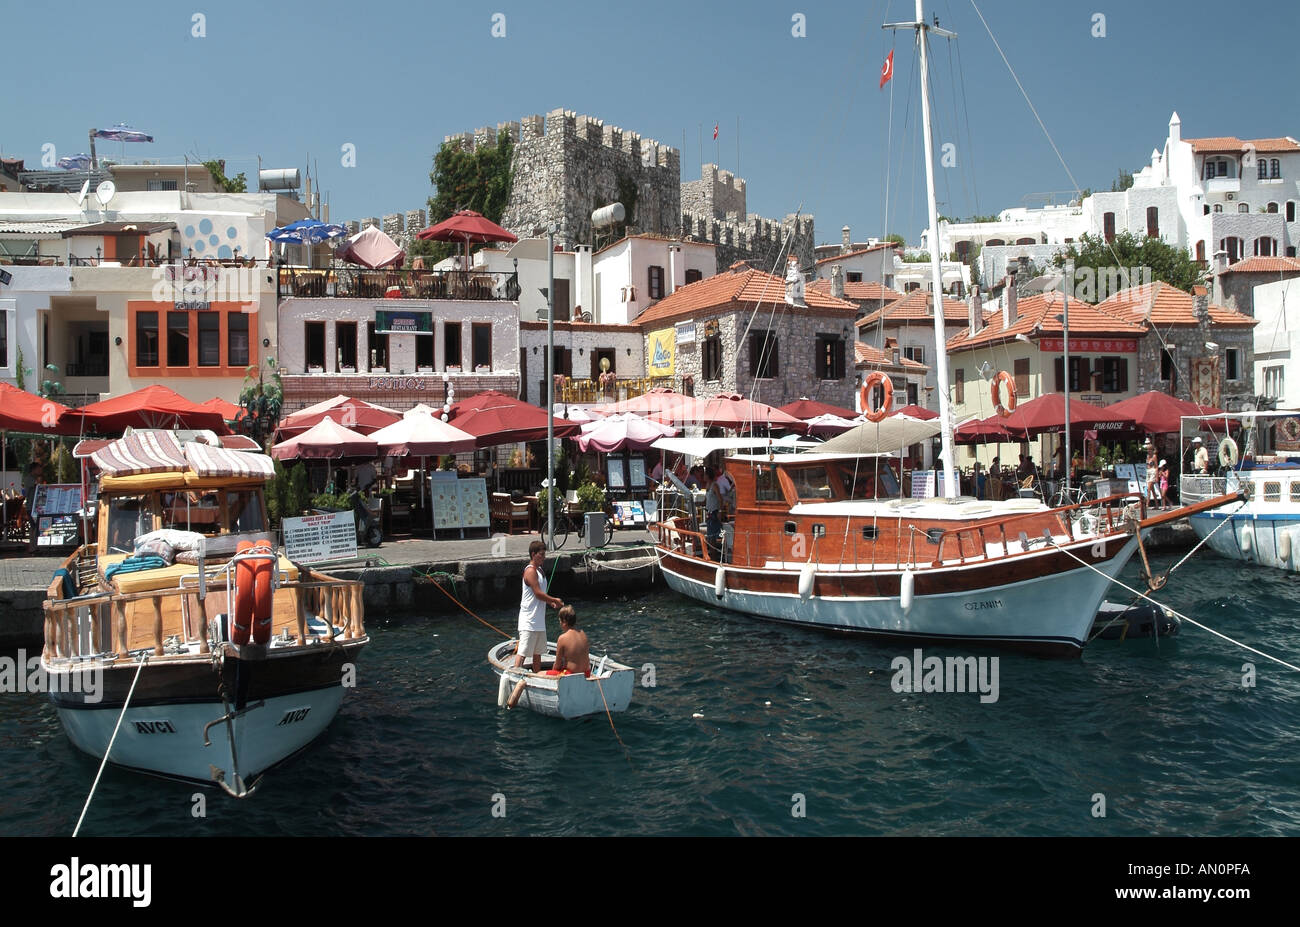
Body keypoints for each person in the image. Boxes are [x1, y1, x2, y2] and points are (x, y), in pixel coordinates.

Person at [515, 540, 563, 672]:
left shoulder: (540, 570)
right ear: (533, 554)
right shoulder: (530, 571)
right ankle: (513, 673)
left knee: (538, 653)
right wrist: (554, 599)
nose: (544, 557)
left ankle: (537, 675)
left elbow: (541, 593)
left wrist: (550, 602)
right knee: (523, 651)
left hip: (539, 620)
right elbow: (537, 593)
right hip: (529, 620)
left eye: (544, 554)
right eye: (541, 555)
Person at [552, 605, 591, 677]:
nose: (560, 623)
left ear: (564, 622)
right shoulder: (583, 633)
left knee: (539, 673)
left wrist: (551, 674)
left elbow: (557, 665)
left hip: (571, 676)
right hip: (586, 674)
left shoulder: (562, 638)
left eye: (560, 621)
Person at [704, 466, 723, 560]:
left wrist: (720, 511)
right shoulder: (707, 485)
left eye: (704, 474)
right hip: (709, 513)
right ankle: (712, 556)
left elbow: (720, 499)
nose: (703, 476)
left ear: (707, 475)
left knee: (713, 538)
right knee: (710, 537)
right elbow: (706, 500)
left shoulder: (714, 485)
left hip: (714, 513)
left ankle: (714, 558)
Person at [1144, 439, 1159, 505]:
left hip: (1153, 471)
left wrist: (1156, 476)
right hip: (1148, 471)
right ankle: (1157, 504)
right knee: (1152, 489)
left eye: (1149, 449)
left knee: (1149, 488)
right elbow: (1147, 465)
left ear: (1151, 450)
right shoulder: (1147, 456)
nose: (1148, 451)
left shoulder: (1154, 456)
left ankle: (1147, 503)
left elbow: (1156, 466)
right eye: (1147, 449)